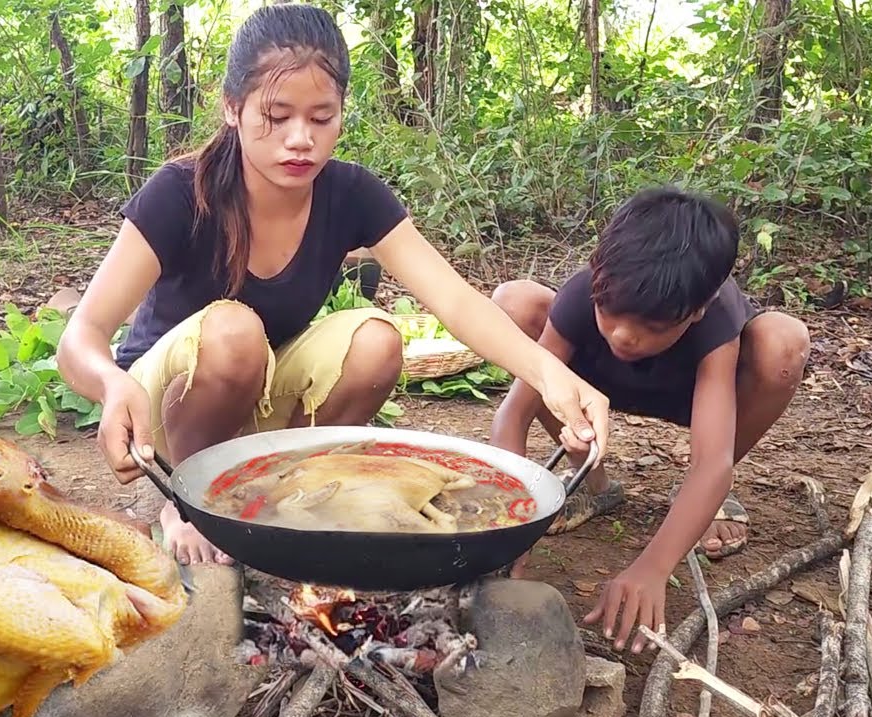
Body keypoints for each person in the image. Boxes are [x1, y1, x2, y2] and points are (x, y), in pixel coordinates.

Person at [56, 4, 610, 568]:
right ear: (232, 108)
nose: (300, 140)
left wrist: (554, 377)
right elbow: (83, 333)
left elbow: (455, 300)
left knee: (376, 339)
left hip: (261, 402)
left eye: (321, 118)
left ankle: (280, 499)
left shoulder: (351, 194)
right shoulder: (180, 193)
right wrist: (109, 384)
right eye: (276, 116)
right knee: (233, 329)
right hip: (163, 410)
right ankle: (188, 502)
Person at [488, 186, 810, 653]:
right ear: (599, 273)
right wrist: (510, 524)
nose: (624, 336)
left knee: (783, 341)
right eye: (608, 313)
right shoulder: (587, 292)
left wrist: (654, 567)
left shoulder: (714, 319)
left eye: (654, 327)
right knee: (515, 301)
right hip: (593, 385)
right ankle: (594, 482)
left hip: (695, 398)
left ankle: (707, 502)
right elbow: (511, 416)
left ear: (696, 311)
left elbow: (711, 461)